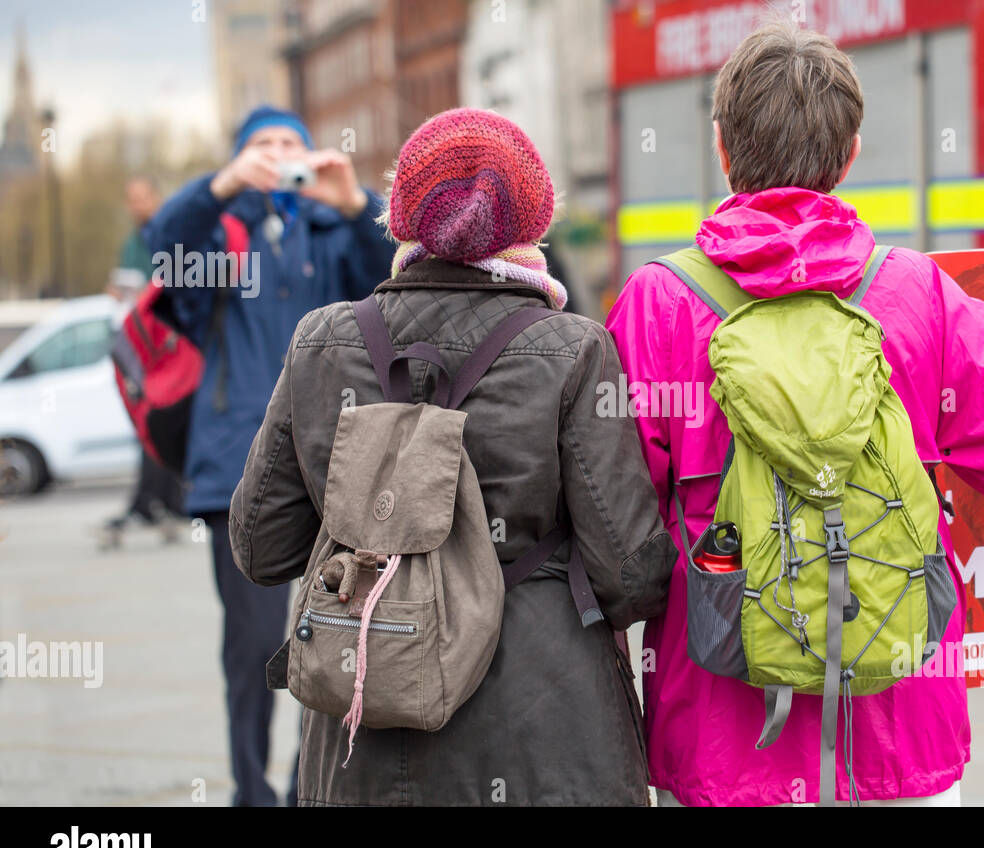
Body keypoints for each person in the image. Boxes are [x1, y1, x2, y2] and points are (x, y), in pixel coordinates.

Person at [606, 21, 984, 807]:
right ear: (851, 154)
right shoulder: (915, 295)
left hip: (725, 752)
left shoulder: (659, 303)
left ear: (722, 149)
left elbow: (615, 536)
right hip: (896, 747)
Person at [228, 108, 676, 805]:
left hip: (363, 733)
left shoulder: (321, 341)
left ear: (401, 217)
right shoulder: (574, 349)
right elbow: (631, 578)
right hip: (546, 734)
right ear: (531, 222)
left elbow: (262, 549)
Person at [149, 105, 392, 806]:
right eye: (262, 144)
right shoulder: (220, 237)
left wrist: (354, 203)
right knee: (253, 650)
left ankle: (303, 790)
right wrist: (220, 187)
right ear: (236, 158)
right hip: (236, 471)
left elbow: (396, 283)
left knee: (336, 643)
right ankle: (250, 791)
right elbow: (165, 250)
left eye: (292, 143)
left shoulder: (340, 232)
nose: (279, 154)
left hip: (340, 468)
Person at [100, 175, 186, 547]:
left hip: (167, 348)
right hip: (141, 346)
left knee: (157, 419)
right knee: (149, 423)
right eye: (130, 199)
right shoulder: (131, 244)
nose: (136, 205)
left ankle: (154, 504)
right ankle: (160, 503)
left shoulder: (170, 235)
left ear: (155, 197)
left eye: (141, 198)